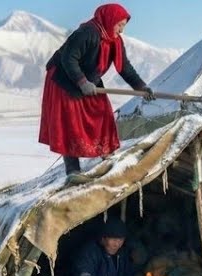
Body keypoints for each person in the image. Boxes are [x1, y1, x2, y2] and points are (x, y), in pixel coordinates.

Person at [39, 4, 156, 184]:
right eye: (119, 25)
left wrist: (141, 87)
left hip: (88, 78)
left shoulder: (115, 40)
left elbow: (124, 67)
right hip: (64, 78)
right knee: (70, 122)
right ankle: (73, 171)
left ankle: (107, 155)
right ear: (109, 20)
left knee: (102, 112)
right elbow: (68, 58)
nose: (121, 30)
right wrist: (82, 82)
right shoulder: (87, 32)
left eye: (123, 26)